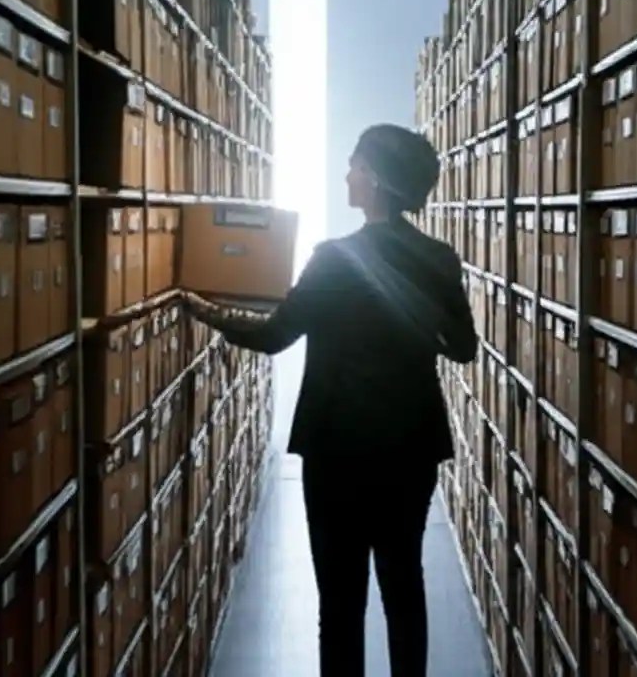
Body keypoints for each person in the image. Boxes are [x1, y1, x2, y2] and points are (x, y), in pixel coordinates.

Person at [187, 124, 478, 676]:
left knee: (340, 602)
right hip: (409, 447)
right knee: (404, 586)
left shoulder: (333, 258)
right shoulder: (439, 259)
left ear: (372, 179)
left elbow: (274, 336)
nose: (346, 173)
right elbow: (464, 349)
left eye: (353, 164)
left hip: (336, 448)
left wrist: (210, 313)